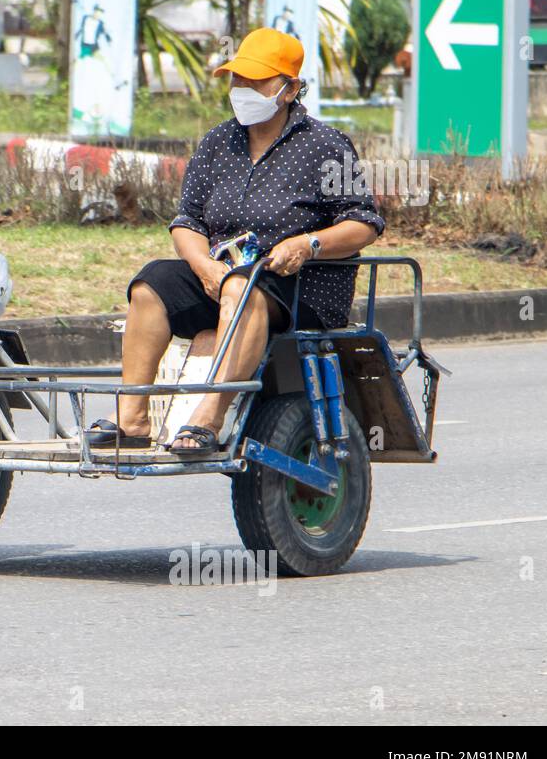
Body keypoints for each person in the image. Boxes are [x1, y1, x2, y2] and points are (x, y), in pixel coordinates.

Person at [86, 27, 385, 456]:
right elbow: (187, 222)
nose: (241, 90)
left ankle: (208, 416)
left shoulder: (325, 145)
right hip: (224, 276)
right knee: (151, 284)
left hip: (300, 286)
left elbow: (363, 223)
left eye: (254, 82)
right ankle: (131, 417)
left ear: (289, 89)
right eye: (236, 80)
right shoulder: (216, 142)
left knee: (241, 288)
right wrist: (204, 266)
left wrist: (308, 244)